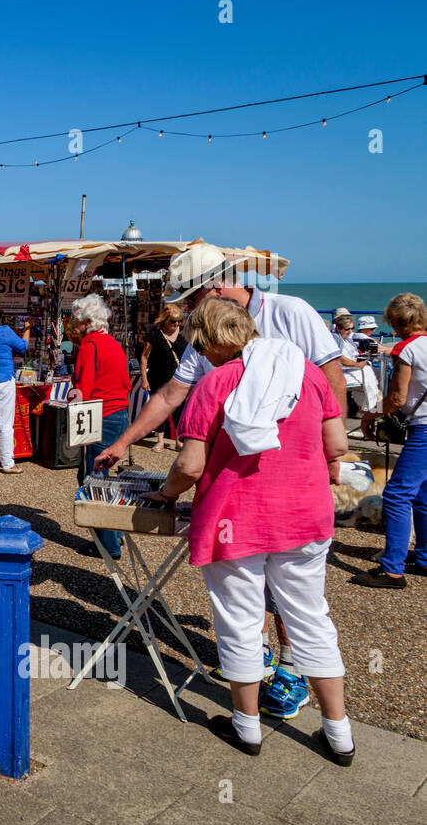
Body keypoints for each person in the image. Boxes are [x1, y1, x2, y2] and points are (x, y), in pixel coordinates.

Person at [143, 298, 353, 764]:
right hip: (304, 516)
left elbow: (189, 466)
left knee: (239, 622)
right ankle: (339, 734)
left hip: (236, 519)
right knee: (311, 621)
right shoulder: (308, 374)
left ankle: (247, 728)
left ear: (214, 341)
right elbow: (336, 443)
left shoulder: (216, 383)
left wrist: (168, 494)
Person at [97, 244, 345, 470]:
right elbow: (169, 396)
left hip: (295, 458)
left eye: (192, 299)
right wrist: (122, 443)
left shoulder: (291, 312)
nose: (190, 308)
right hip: (230, 463)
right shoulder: (205, 332)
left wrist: (333, 457)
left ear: (216, 286)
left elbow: (333, 381)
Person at [351, 293, 427, 589]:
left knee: (397, 494)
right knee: (421, 494)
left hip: (422, 428)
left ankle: (392, 569)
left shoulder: (406, 350)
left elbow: (397, 397)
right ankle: (422, 556)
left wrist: (370, 415)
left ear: (395, 322)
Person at [72, 294, 132, 559]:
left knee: (95, 479)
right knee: (105, 477)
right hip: (119, 412)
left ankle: (108, 543)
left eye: (77, 321)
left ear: (86, 321)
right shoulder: (113, 344)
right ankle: (115, 533)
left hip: (100, 414)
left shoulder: (90, 345)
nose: (75, 325)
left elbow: (83, 390)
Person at [138, 303, 188, 452]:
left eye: (179, 321)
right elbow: (144, 358)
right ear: (164, 320)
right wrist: (144, 378)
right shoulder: (154, 335)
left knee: (180, 410)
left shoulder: (183, 334)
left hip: (179, 378)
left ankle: (179, 440)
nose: (176, 324)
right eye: (173, 321)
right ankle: (160, 440)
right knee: (160, 410)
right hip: (158, 377)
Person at [0, 311, 31, 474]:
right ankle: (7, 462)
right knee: (5, 423)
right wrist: (27, 329)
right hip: (4, 379)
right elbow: (23, 346)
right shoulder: (4, 331)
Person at [332, 313, 382, 434]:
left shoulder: (348, 340)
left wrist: (364, 357)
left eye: (352, 329)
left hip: (351, 371)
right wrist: (358, 364)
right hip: (344, 372)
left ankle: (372, 411)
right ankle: (374, 413)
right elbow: (340, 358)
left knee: (373, 384)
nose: (350, 331)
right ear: (338, 328)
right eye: (347, 329)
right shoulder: (336, 339)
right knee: (373, 379)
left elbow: (350, 356)